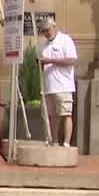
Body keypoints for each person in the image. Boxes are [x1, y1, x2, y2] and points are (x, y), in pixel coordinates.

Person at [36, 17, 78, 147]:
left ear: (54, 27)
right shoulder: (44, 44)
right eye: (43, 31)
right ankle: (54, 141)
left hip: (63, 86)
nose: (46, 33)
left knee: (66, 114)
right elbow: (42, 64)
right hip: (49, 87)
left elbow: (72, 60)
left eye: (47, 30)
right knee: (52, 116)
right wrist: (41, 64)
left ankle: (66, 142)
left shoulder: (65, 40)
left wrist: (51, 60)